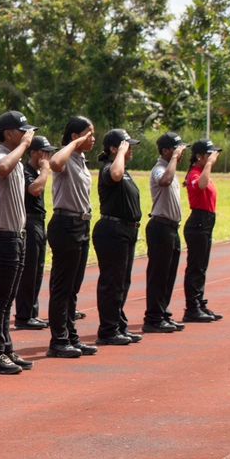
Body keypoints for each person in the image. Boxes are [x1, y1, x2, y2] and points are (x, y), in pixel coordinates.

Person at [0, 112, 35, 375]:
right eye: (22, 131)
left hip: (16, 236)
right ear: (8, 134)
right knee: (1, 298)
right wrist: (25, 146)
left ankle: (5, 347)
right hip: (2, 236)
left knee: (8, 297)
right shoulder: (0, 156)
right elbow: (1, 168)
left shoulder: (15, 159)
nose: (26, 135)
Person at [45, 117, 99, 358]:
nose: (93, 138)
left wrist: (79, 145)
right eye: (89, 134)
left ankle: (71, 336)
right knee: (62, 286)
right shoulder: (66, 157)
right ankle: (58, 340)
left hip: (81, 224)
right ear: (75, 135)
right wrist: (73, 143)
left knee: (73, 287)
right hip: (65, 224)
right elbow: (54, 162)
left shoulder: (81, 160)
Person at [92, 129, 143, 346]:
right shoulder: (108, 169)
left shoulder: (123, 170)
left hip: (126, 230)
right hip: (112, 229)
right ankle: (108, 330)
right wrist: (120, 154)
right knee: (112, 281)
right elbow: (115, 175)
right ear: (113, 148)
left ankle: (118, 324)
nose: (130, 149)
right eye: (125, 145)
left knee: (122, 281)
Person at [143, 133, 187, 333]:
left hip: (171, 228)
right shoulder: (160, 169)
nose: (181, 153)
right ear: (165, 151)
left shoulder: (171, 169)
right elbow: (164, 181)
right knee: (158, 275)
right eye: (176, 149)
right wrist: (175, 160)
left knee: (168, 275)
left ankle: (162, 313)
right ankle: (153, 318)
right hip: (160, 227)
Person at [14, 136, 54, 330]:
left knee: (37, 270)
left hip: (38, 221)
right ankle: (23, 315)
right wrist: (45, 168)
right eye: (44, 152)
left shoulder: (35, 171)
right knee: (29, 270)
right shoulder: (26, 170)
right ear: (34, 153)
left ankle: (32, 312)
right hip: (29, 222)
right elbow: (35, 190)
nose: (48, 155)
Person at [183, 138, 223, 323]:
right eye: (209, 154)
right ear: (199, 156)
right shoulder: (195, 173)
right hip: (198, 222)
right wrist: (209, 165)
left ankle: (199, 303)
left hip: (206, 222)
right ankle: (192, 308)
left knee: (202, 267)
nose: (213, 157)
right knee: (196, 267)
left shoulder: (201, 171)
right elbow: (200, 185)